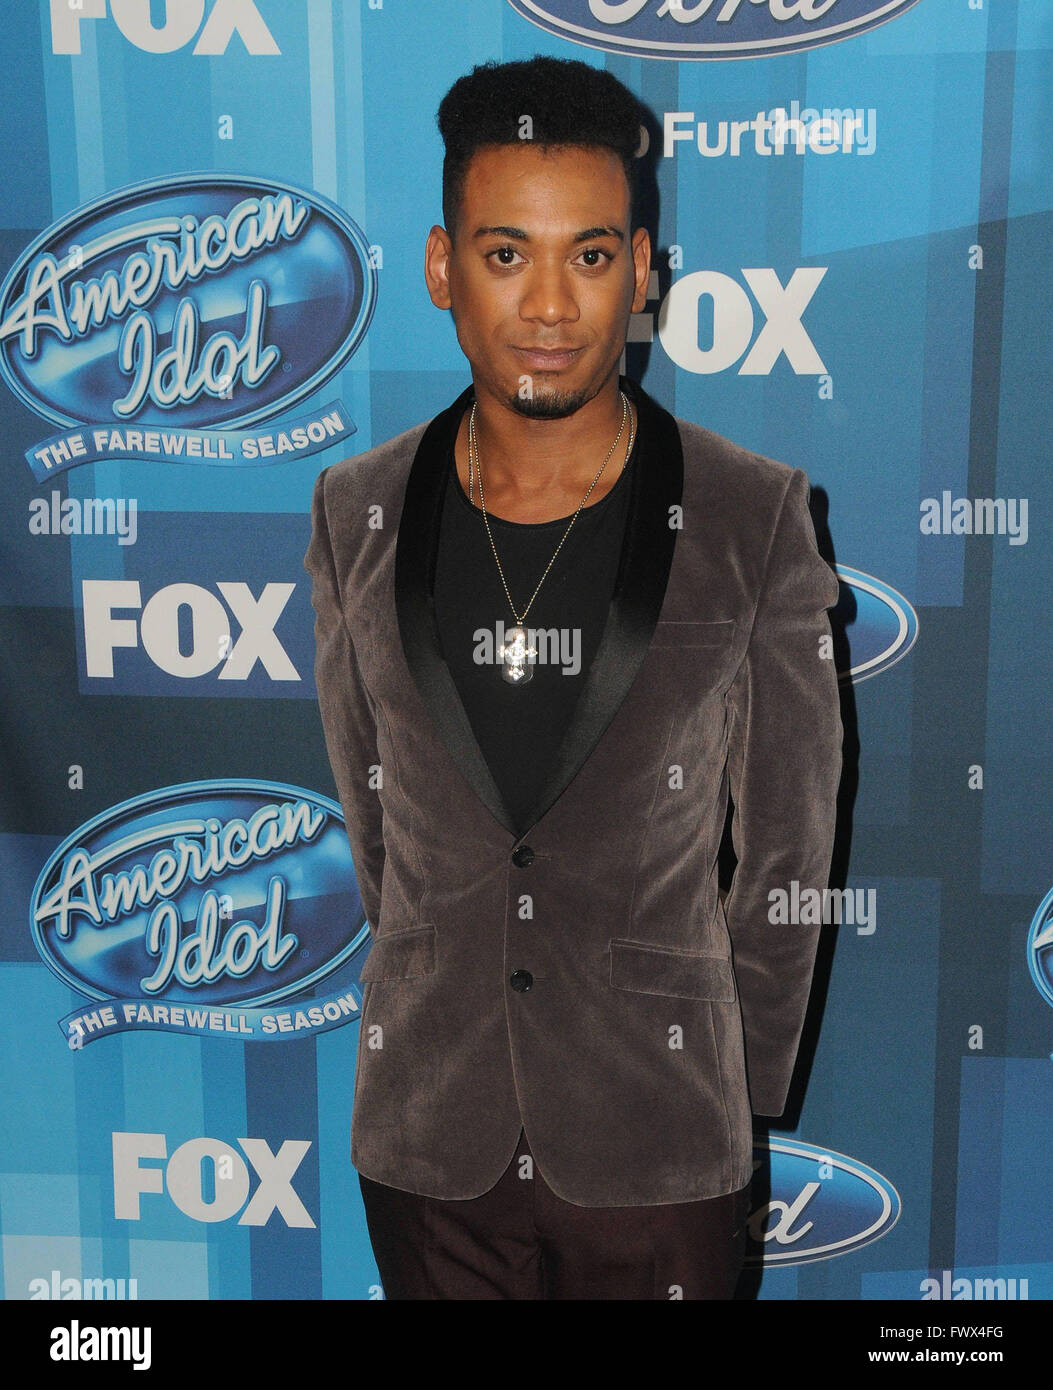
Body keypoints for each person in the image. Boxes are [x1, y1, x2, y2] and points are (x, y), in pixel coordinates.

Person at [305, 55, 843, 1300]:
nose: (550, 303)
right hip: (430, 1147)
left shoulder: (751, 516)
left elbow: (790, 855)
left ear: (642, 274)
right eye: (507, 255)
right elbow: (374, 821)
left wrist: (732, 1090)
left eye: (591, 257)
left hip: (661, 1150)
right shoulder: (356, 511)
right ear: (443, 266)